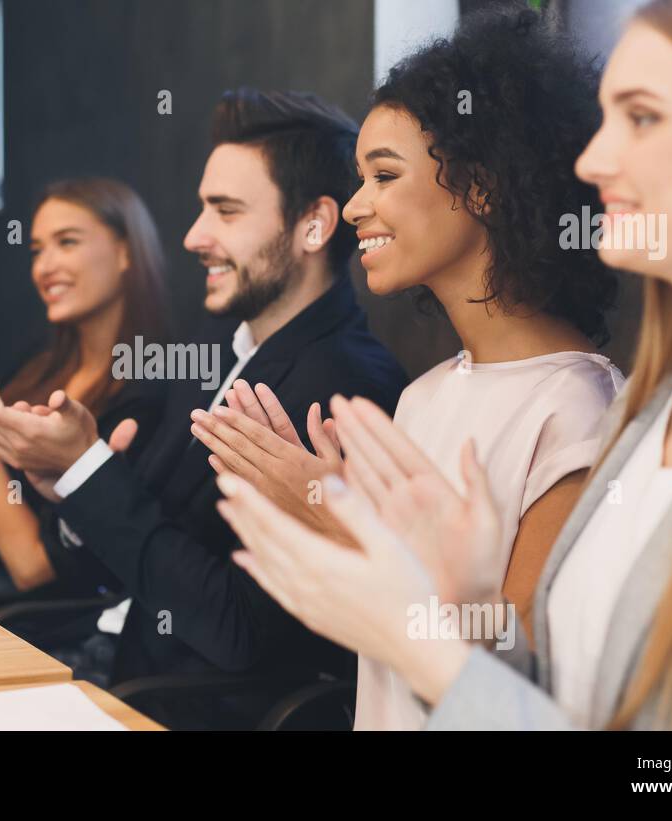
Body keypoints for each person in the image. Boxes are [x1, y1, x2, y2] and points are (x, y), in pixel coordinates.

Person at [216, 0, 672, 730]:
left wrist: (418, 622)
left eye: (644, 117)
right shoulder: (652, 414)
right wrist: (457, 594)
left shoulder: (616, 412)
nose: (594, 162)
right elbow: (554, 690)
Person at [191, 8, 623, 728]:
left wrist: (332, 515)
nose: (357, 205)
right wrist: (328, 520)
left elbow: (518, 689)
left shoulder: (575, 409)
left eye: (384, 175)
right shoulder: (422, 396)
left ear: (482, 185)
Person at [0, 89, 408, 728]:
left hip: (173, 706)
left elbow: (239, 634)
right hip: (110, 664)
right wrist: (73, 483)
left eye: (225, 211)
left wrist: (91, 471)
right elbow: (118, 559)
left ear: (314, 223)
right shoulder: (215, 358)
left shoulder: (345, 388)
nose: (195, 237)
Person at [0, 178, 169, 602]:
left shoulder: (144, 396)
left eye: (66, 243)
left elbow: (31, 568)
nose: (44, 267)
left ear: (125, 252)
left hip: (26, 620)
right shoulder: (39, 368)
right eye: (37, 250)